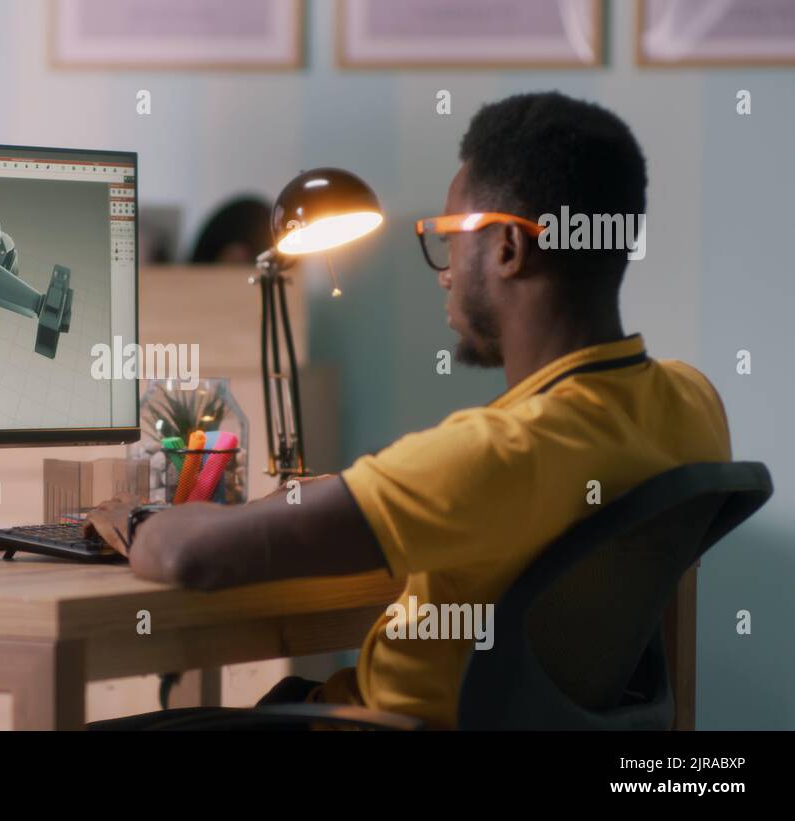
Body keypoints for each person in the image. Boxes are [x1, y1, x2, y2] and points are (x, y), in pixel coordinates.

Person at [85, 91, 731, 731]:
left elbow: (194, 558)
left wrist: (134, 518)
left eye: (447, 237)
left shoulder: (492, 453)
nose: (444, 271)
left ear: (508, 249)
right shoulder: (694, 404)